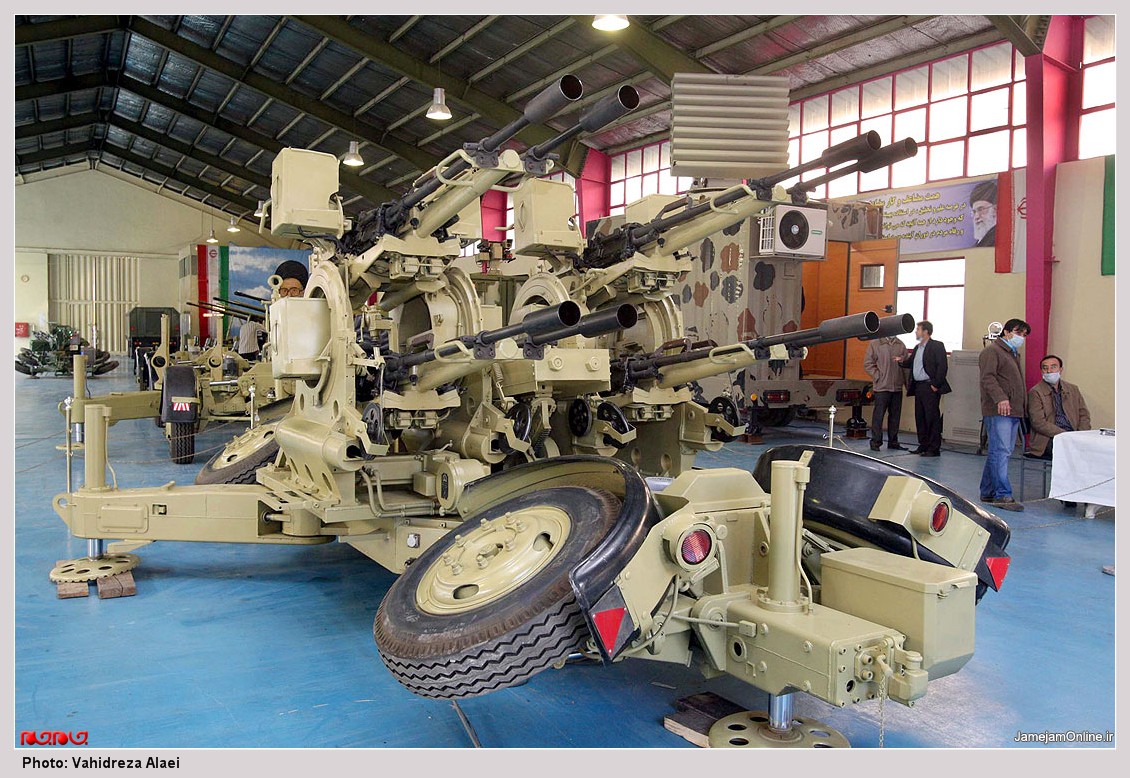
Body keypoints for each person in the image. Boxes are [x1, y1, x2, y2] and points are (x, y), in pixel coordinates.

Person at [978, 318, 1031, 511]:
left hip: (1012, 410)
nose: (1021, 337)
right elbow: (988, 378)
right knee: (1001, 451)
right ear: (1007, 332)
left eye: (1024, 335)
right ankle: (1003, 495)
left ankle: (987, 491)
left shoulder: (1012, 353)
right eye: (1019, 333)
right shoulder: (992, 351)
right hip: (999, 409)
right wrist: (1001, 398)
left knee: (1000, 452)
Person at [899, 320, 950, 457]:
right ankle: (923, 445)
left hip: (930, 386)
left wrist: (935, 384)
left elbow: (942, 366)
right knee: (920, 416)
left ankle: (934, 448)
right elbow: (910, 363)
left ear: (926, 332)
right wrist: (901, 362)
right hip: (919, 386)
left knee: (931, 418)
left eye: (918, 329)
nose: (916, 332)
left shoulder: (937, 346)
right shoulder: (917, 348)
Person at [1027, 354, 1091, 460]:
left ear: (1060, 369)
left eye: (1053, 367)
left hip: (1074, 434)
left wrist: (1080, 434)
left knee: (1095, 448)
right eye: (1045, 368)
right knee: (1075, 452)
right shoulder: (1036, 392)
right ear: (1041, 371)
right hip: (1048, 439)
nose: (1049, 371)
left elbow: (1084, 414)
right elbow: (1038, 422)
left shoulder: (1073, 389)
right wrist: (1065, 435)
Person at [863, 333, 907, 451]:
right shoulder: (875, 344)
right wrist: (878, 376)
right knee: (878, 416)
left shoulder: (901, 345)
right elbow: (868, 363)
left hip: (897, 387)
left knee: (895, 416)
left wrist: (905, 384)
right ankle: (876, 442)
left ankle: (893, 442)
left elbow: (906, 365)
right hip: (882, 387)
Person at [970, 180, 998, 248]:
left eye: (981, 209)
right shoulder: (978, 244)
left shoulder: (1000, 238)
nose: (976, 216)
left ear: (995, 210)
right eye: (974, 212)